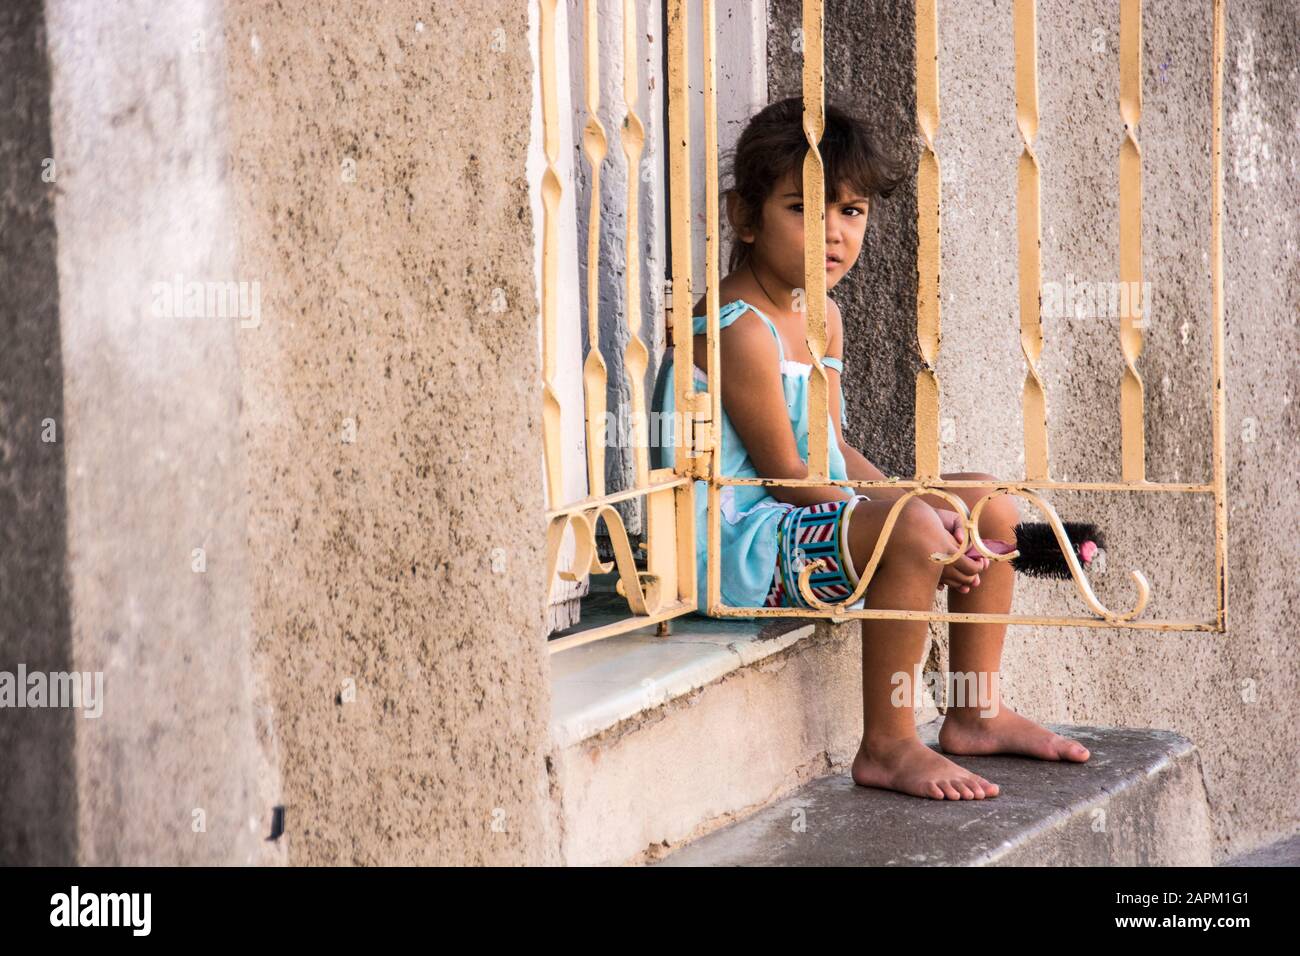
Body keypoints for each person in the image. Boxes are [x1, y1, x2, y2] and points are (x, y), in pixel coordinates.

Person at [659, 97, 1090, 802]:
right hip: (736, 548)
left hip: (798, 514)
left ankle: (975, 711)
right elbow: (788, 479)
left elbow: (830, 451)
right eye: (804, 208)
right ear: (744, 217)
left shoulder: (819, 315)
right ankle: (888, 745)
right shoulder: (735, 327)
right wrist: (909, 523)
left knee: (986, 500)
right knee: (919, 524)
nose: (832, 233)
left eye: (851, 212)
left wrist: (925, 504)